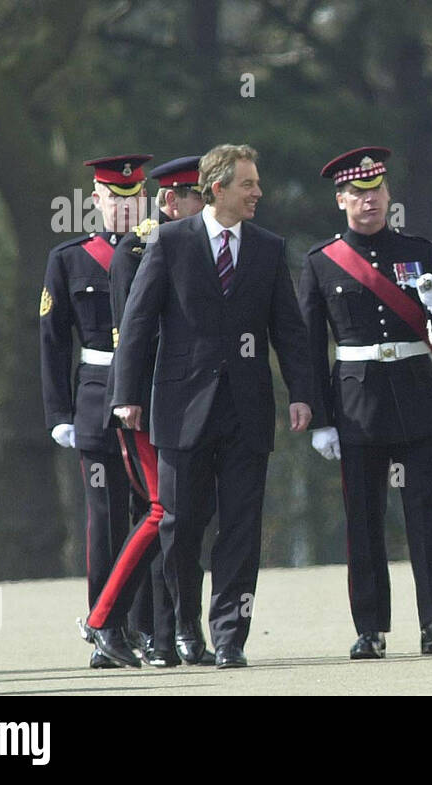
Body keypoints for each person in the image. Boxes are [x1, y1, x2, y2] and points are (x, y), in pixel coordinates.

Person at [111, 143, 317, 669]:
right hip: (182, 407)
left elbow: (289, 330)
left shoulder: (269, 248)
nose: (258, 194)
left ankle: (230, 637)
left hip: (247, 409)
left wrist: (301, 393)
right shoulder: (170, 242)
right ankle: (184, 627)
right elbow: (137, 322)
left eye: (258, 183)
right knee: (180, 526)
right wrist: (127, 395)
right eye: (248, 184)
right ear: (217, 188)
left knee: (242, 528)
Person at [298, 146, 432, 659]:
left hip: (416, 396)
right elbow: (308, 348)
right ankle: (370, 628)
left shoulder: (418, 249)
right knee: (364, 520)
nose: (368, 201)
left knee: (426, 513)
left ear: (388, 194)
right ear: (341, 200)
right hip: (357, 403)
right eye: (357, 193)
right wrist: (320, 420)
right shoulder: (321, 263)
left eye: (375, 191)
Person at [87, 156, 215, 668]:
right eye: (196, 198)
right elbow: (131, 336)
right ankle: (104, 620)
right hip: (145, 402)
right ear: (172, 201)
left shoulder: (195, 245)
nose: (203, 207)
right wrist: (129, 401)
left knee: (181, 518)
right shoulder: (138, 250)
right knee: (163, 510)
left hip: (183, 400)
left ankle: (168, 637)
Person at [40, 154, 151, 669]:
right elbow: (52, 341)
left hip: (149, 399)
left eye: (135, 199)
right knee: (105, 520)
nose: (126, 209)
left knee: (152, 515)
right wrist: (59, 411)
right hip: (95, 399)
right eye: (115, 199)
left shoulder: (161, 250)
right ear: (98, 200)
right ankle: (107, 628)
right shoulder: (70, 258)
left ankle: (149, 629)